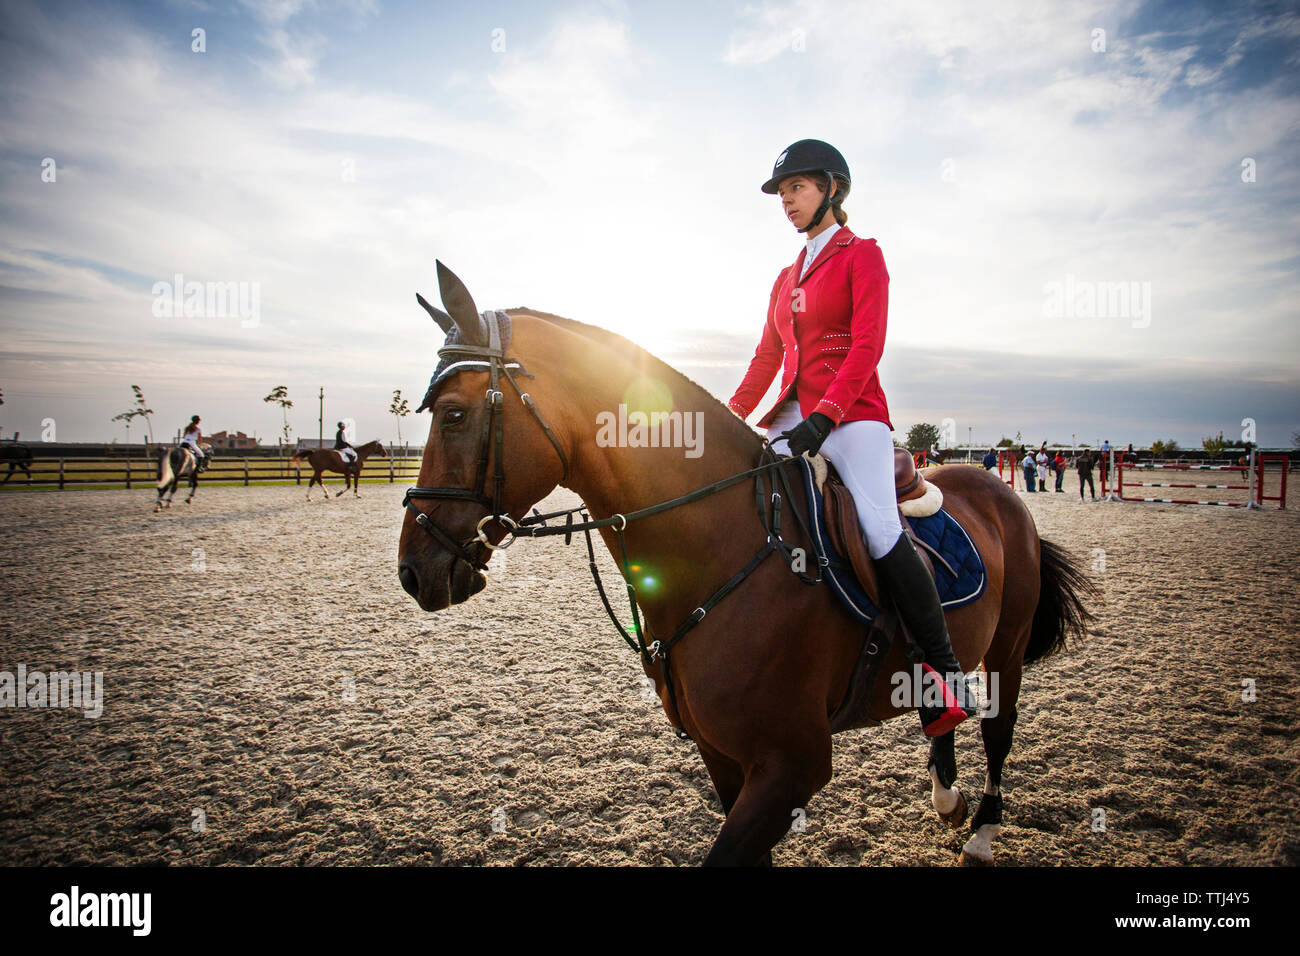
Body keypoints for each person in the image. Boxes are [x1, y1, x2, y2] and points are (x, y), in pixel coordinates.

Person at [727, 138, 974, 735]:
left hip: (854, 413)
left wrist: (829, 414)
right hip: (791, 415)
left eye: (798, 188)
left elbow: (868, 344)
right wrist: (731, 414)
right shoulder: (785, 276)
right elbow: (768, 355)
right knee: (743, 498)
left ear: (832, 190)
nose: (787, 201)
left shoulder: (863, 255)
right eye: (782, 192)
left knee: (880, 524)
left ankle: (940, 675)